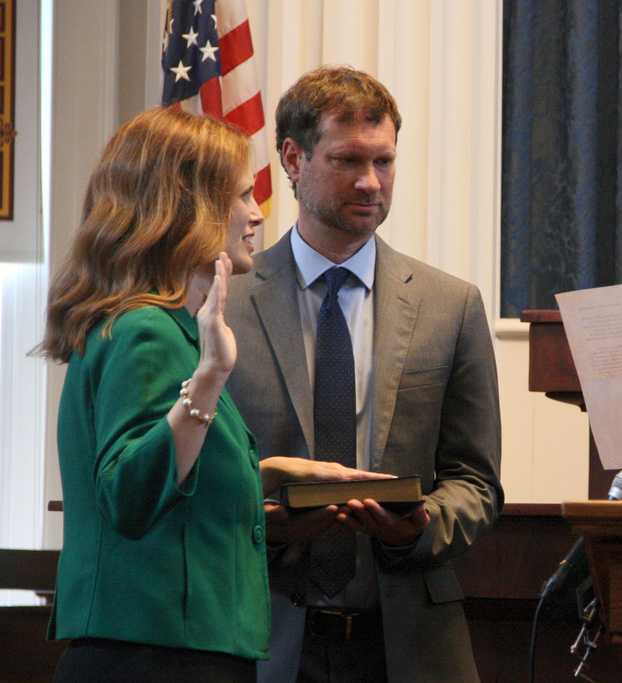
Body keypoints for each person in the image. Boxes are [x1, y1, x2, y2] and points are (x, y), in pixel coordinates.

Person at [40, 107, 388, 683]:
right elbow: (131, 496)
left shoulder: (169, 327)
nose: (256, 215)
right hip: (155, 658)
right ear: (186, 207)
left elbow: (178, 490)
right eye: (242, 195)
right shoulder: (145, 330)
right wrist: (210, 378)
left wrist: (271, 473)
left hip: (175, 652)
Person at [224, 65, 503, 682]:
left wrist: (418, 525)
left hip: (408, 646)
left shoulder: (449, 305)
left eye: (385, 161)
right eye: (349, 160)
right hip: (260, 638)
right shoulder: (225, 303)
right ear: (293, 159)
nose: (371, 182)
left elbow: (476, 481)